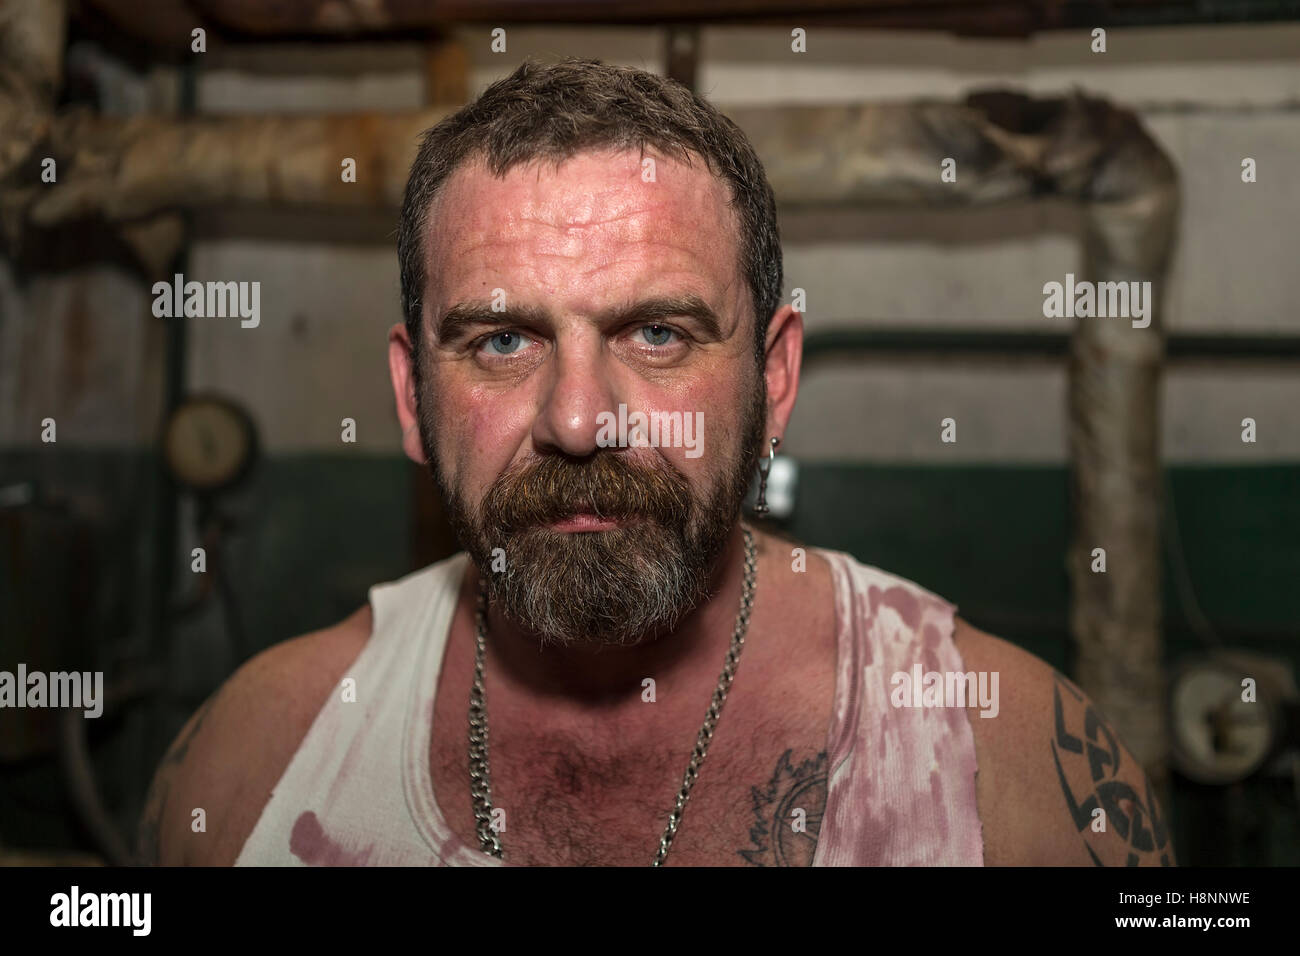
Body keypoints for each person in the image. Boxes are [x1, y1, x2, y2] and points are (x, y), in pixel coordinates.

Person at [139, 58, 1173, 867]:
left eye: (658, 334)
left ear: (772, 381)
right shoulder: (254, 766)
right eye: (502, 341)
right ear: (412, 398)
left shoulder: (1011, 780)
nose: (580, 421)